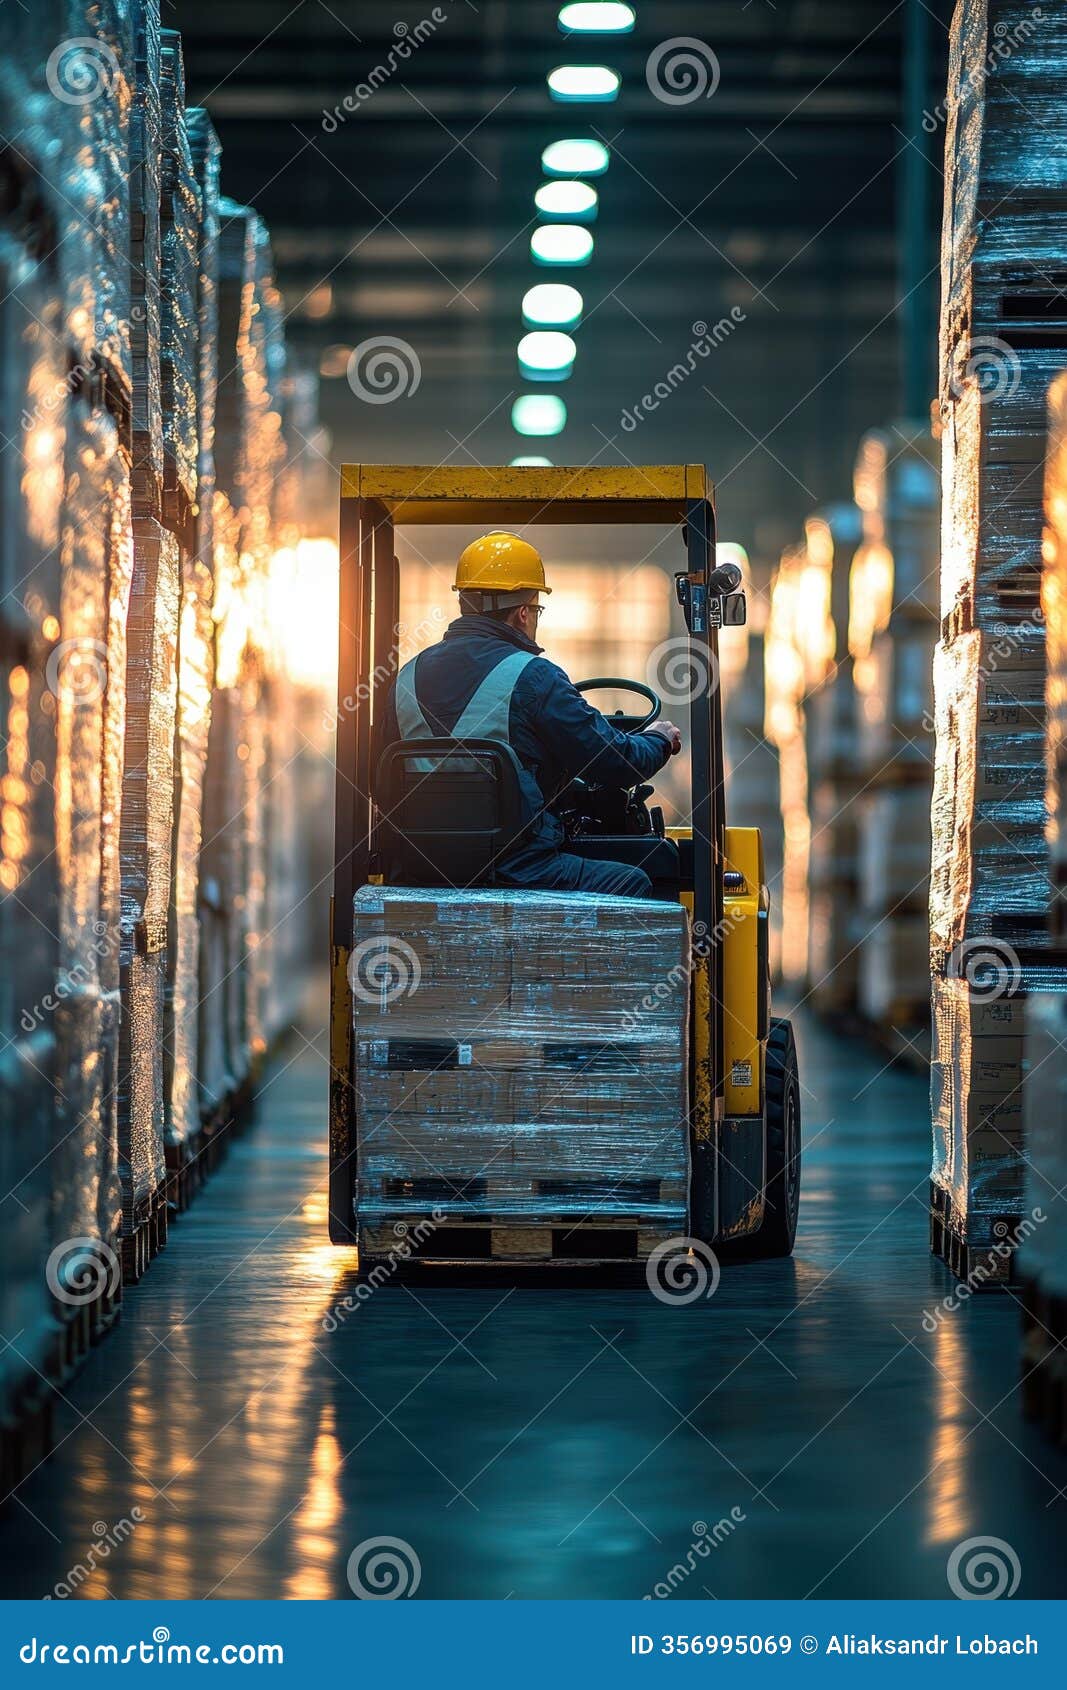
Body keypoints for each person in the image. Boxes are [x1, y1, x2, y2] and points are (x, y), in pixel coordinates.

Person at [378, 530, 682, 897]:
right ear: (523, 613)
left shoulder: (405, 678)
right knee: (634, 883)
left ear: (464, 604)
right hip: (516, 869)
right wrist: (658, 740)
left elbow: (375, 779)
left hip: (419, 869)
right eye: (536, 610)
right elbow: (615, 763)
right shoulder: (536, 677)